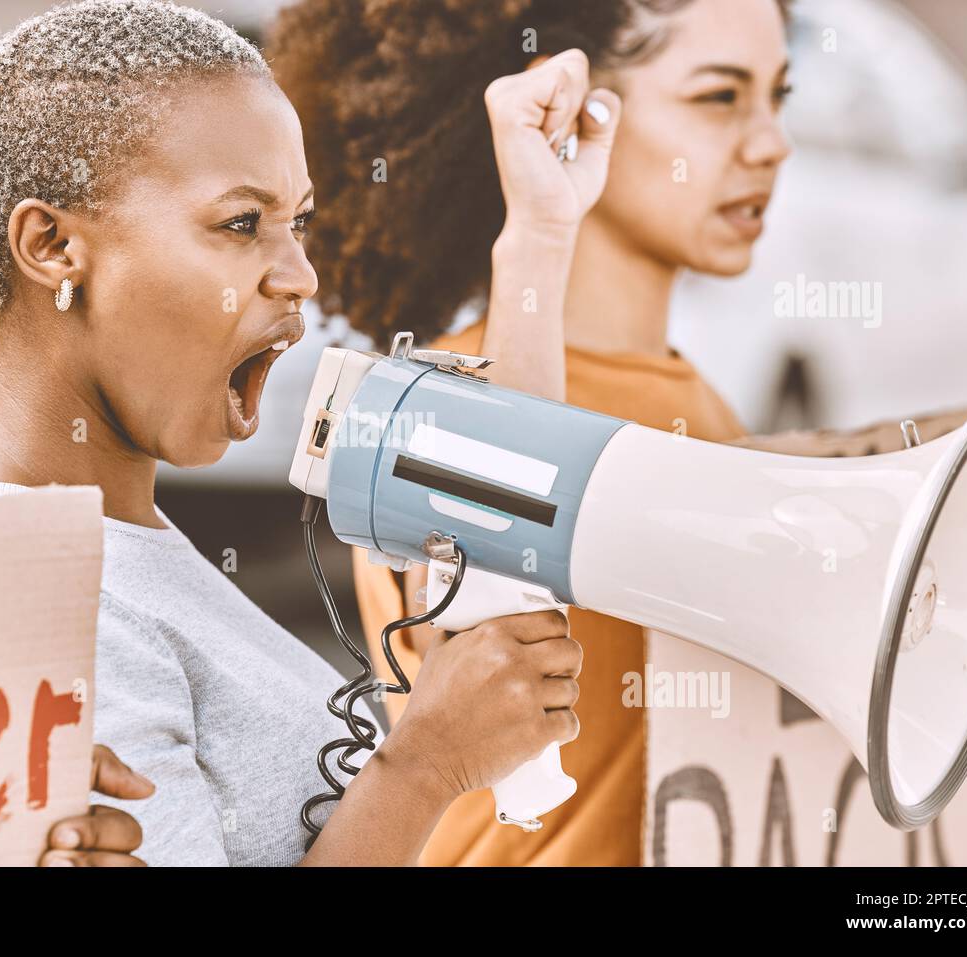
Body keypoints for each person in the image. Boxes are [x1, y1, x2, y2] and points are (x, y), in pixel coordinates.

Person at [0, 0, 582, 867]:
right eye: (241, 223)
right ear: (51, 245)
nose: (299, 273)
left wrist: (540, 231)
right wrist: (422, 765)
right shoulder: (25, 594)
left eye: (297, 222)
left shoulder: (117, 553)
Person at [271, 0, 793, 865]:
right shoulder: (433, 406)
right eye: (718, 97)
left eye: (779, 94)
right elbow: (491, 619)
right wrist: (541, 233)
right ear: (576, 109)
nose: (771, 141)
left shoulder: (693, 396)